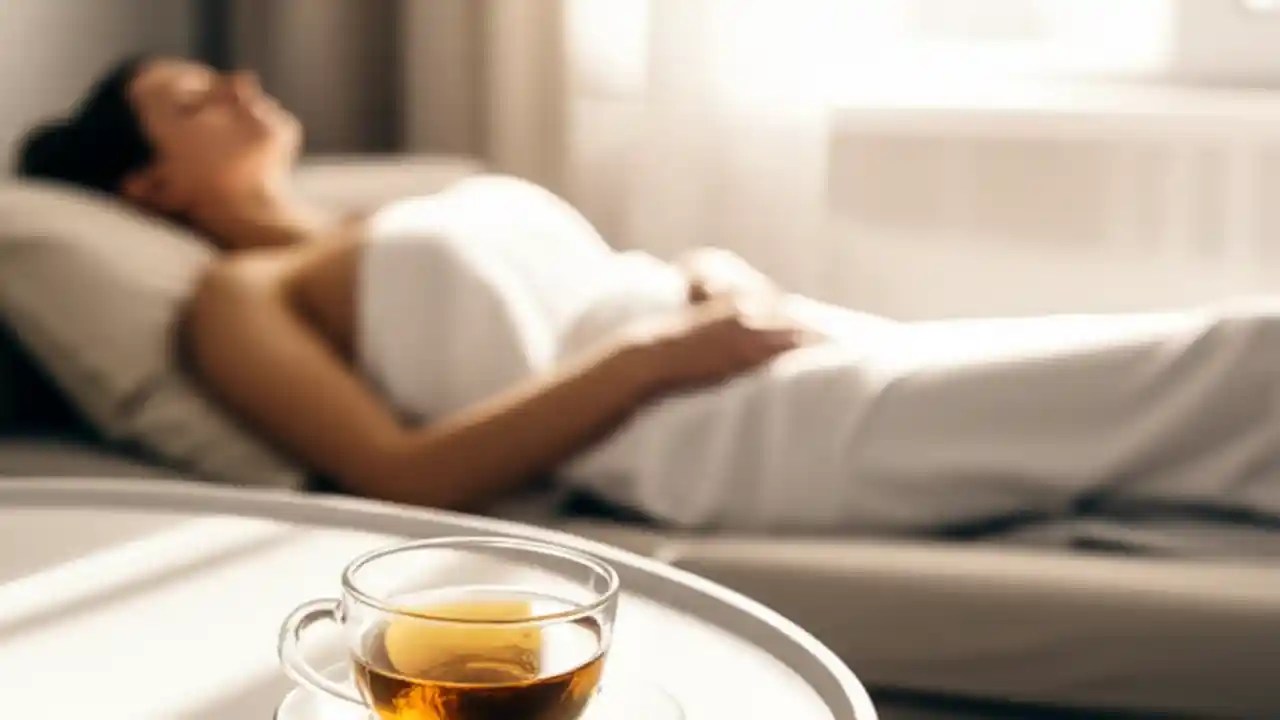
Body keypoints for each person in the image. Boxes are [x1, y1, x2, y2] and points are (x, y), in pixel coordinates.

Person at [16, 57, 1280, 532]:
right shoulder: (240, 295)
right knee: (1236, 359)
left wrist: (692, 284)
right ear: (152, 192)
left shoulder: (385, 213)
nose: (238, 87)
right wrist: (654, 363)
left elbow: (565, 296)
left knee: (1175, 389)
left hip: (740, 351)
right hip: (699, 430)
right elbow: (401, 482)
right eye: (190, 105)